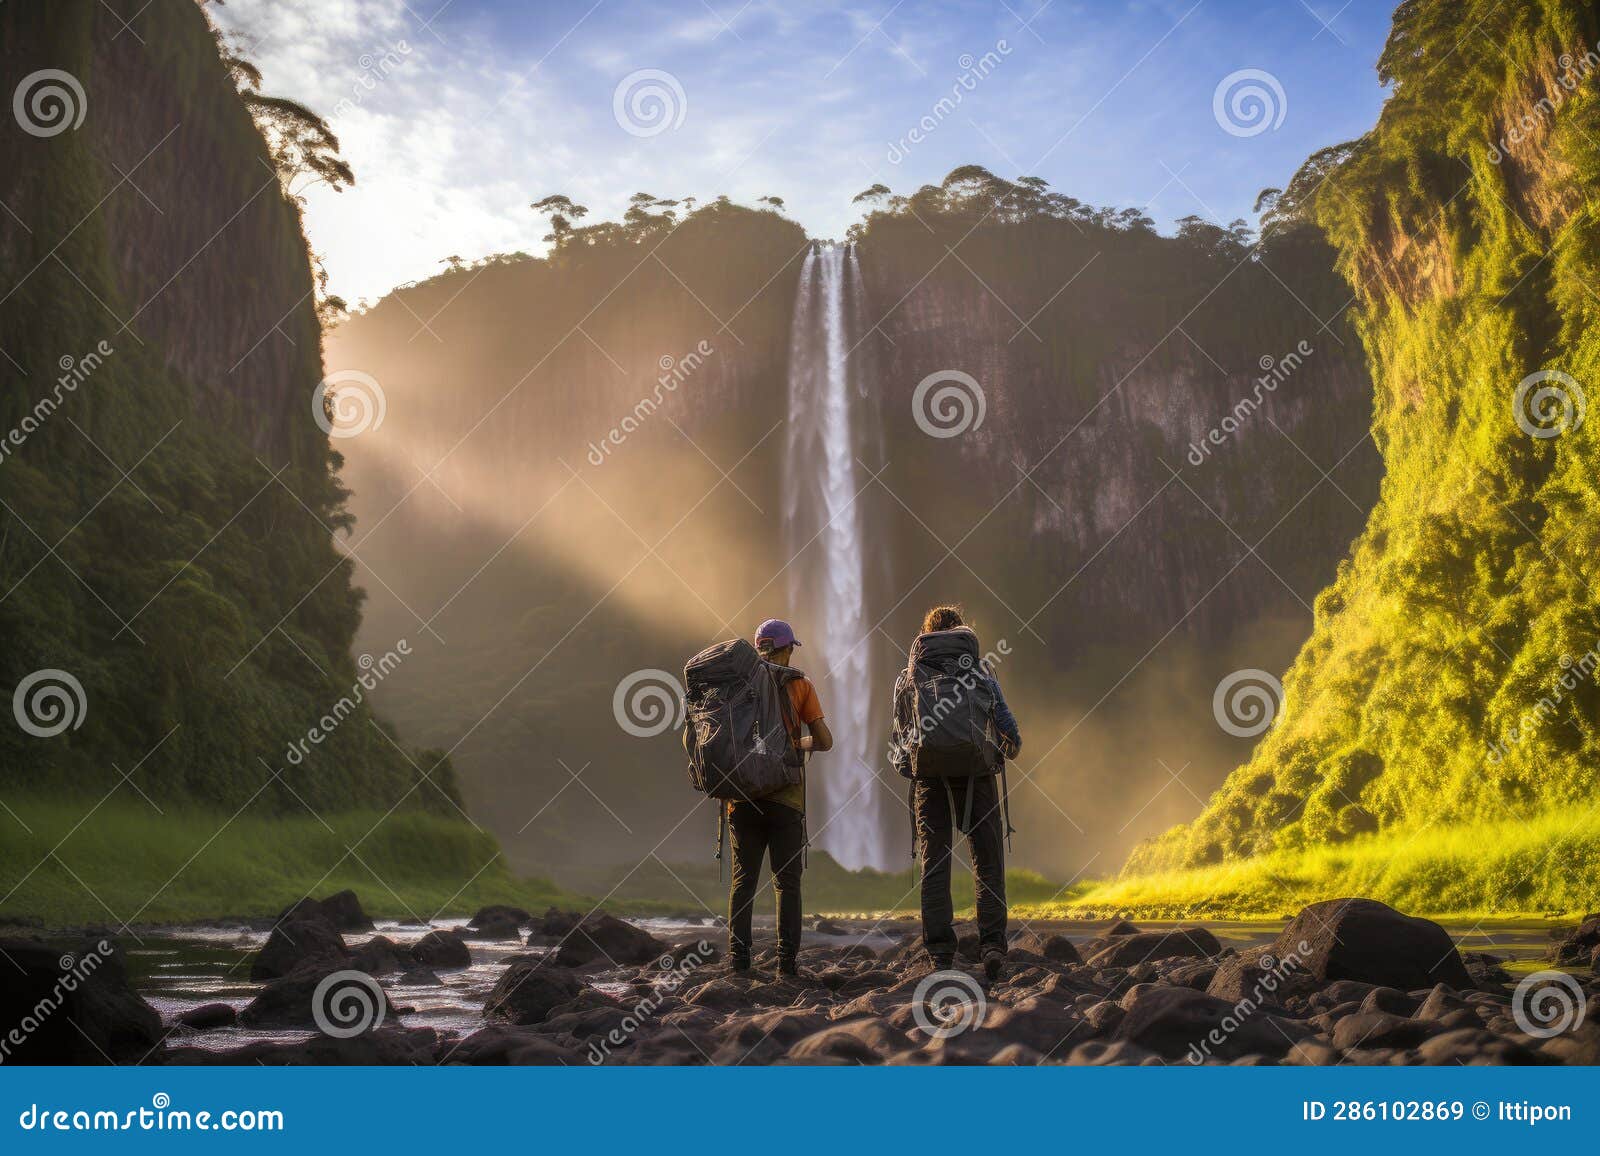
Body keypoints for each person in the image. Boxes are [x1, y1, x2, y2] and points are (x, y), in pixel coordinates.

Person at [895, 605, 1020, 982]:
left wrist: (917, 769)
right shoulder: (982, 672)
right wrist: (998, 757)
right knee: (988, 861)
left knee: (935, 864)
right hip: (978, 775)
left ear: (926, 635)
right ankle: (993, 946)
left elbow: (900, 745)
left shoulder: (909, 677)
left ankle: (939, 955)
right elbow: (1011, 735)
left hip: (930, 780)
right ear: (963, 634)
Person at [726, 618, 833, 976]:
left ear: (759, 648)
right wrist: (793, 745)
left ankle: (739, 963)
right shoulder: (799, 684)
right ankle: (786, 967)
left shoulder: (734, 685)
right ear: (787, 649)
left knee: (744, 881)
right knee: (786, 883)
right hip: (785, 798)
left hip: (741, 797)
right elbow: (824, 741)